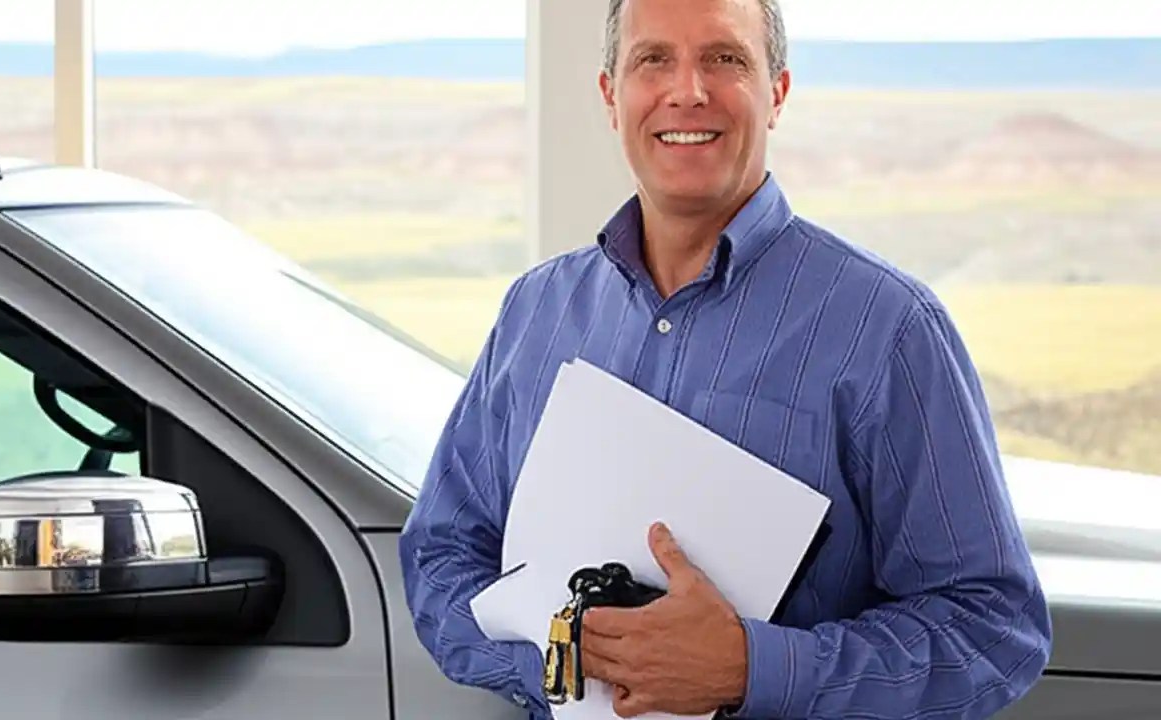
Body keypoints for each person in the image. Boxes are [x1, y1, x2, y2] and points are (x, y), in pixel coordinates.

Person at [398, 0, 1053, 717]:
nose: (688, 91)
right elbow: (440, 557)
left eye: (725, 59)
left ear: (777, 92)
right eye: (654, 60)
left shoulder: (888, 328)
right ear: (611, 95)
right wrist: (566, 659)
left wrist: (752, 668)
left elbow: (992, 629)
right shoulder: (537, 311)